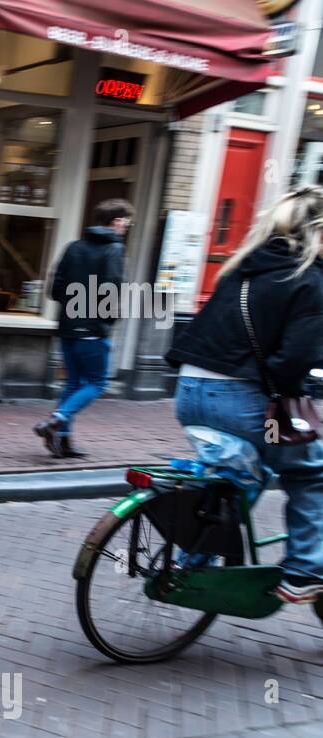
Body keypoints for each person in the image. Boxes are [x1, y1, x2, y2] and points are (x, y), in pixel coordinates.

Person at [165, 186, 323, 605]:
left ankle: (192, 559)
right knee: (310, 471)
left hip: (189, 392)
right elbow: (293, 362)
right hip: (239, 402)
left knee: (237, 473)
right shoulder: (311, 279)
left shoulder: (242, 267)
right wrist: (294, 397)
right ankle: (304, 573)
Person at [35, 199, 134, 458]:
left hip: (68, 327)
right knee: (97, 382)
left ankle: (62, 442)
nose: (126, 227)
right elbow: (112, 288)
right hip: (92, 328)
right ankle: (56, 421)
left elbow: (54, 289)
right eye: (125, 222)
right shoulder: (114, 249)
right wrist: (107, 321)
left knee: (73, 383)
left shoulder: (73, 247)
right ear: (117, 222)